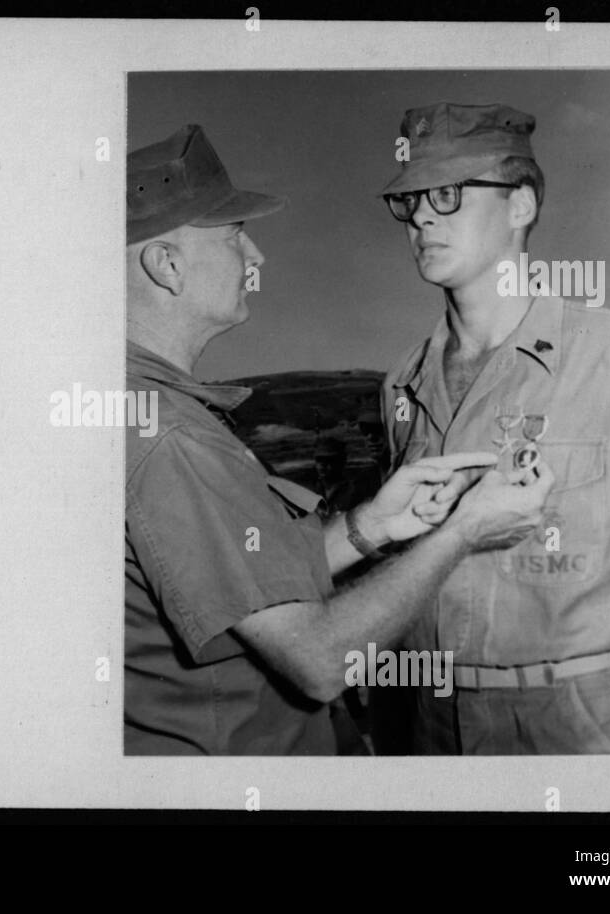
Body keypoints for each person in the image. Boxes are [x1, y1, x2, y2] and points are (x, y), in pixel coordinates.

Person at [124, 123, 555, 756]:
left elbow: (244, 584)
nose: (256, 257)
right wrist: (461, 533)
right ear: (167, 265)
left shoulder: (138, 410)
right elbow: (321, 662)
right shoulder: (171, 438)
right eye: (234, 233)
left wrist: (371, 526)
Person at [377, 102, 610, 754]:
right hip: (427, 720)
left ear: (520, 207)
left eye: (448, 194)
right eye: (411, 200)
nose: (422, 215)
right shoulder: (401, 384)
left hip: (577, 719)